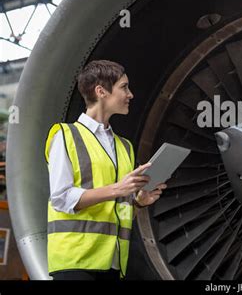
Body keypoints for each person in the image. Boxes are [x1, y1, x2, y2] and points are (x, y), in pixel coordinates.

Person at [44, 60, 166, 280]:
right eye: (124, 87)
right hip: (75, 261)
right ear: (101, 91)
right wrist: (118, 189)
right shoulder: (65, 136)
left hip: (113, 262)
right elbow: (61, 197)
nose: (130, 95)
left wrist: (138, 202)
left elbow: (117, 209)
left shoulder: (124, 146)